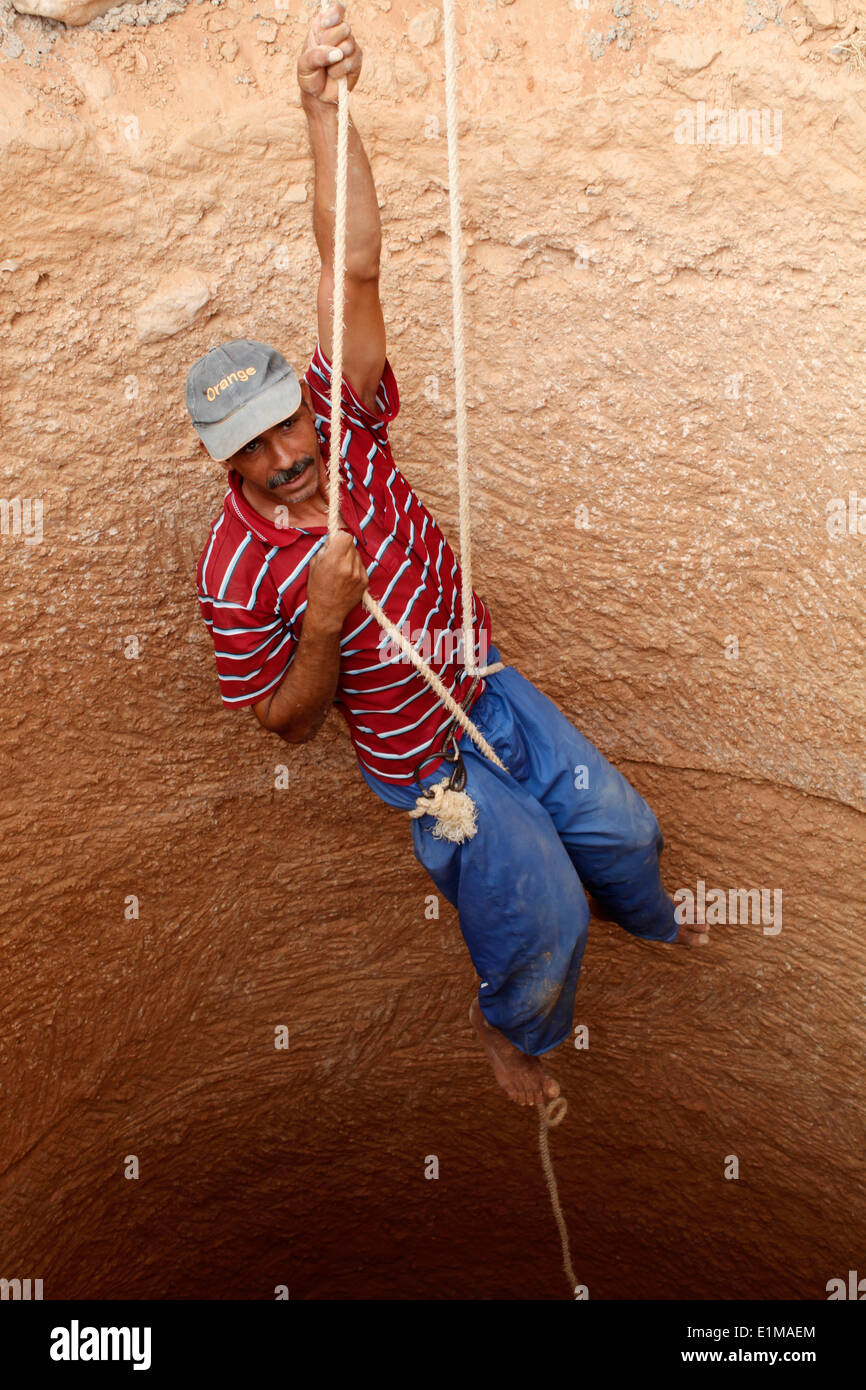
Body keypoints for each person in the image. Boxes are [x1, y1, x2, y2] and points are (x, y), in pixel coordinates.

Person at [186, 4, 709, 1109]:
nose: (292, 454)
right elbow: (282, 724)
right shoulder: (232, 573)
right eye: (257, 447)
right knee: (542, 916)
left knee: (622, 828)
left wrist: (318, 108)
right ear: (222, 464)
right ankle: (511, 1033)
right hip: (433, 763)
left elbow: (354, 265)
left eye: (291, 422)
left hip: (489, 684)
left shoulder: (346, 418)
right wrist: (325, 616)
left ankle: (650, 925)